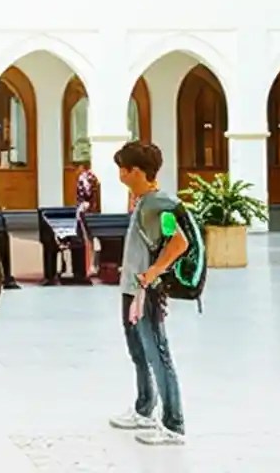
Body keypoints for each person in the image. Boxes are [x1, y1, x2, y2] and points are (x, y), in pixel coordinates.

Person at [108, 141, 188, 446]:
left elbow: (179, 242)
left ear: (136, 171)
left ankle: (174, 424)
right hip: (132, 290)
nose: (120, 175)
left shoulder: (157, 204)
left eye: (123, 169)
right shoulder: (143, 201)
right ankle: (144, 408)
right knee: (139, 353)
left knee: (158, 354)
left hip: (145, 292)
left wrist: (153, 272)